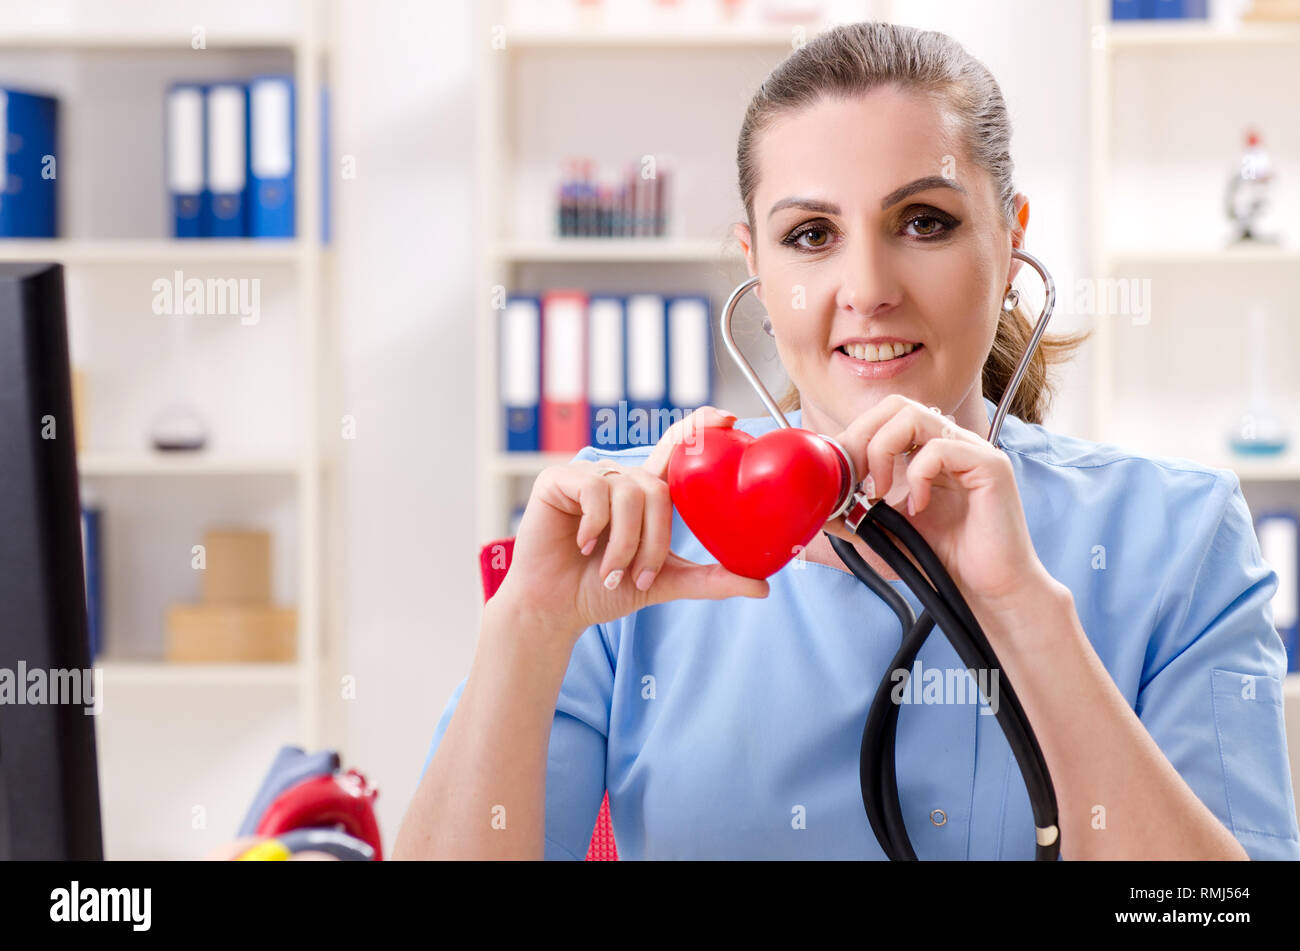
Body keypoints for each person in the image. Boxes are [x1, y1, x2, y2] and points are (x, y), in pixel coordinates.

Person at [394, 21, 1300, 860]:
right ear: (755, 261)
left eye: (924, 222)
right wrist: (529, 631)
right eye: (812, 234)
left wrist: (1022, 609)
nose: (866, 288)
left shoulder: (1176, 536)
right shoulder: (631, 526)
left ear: (1011, 238)